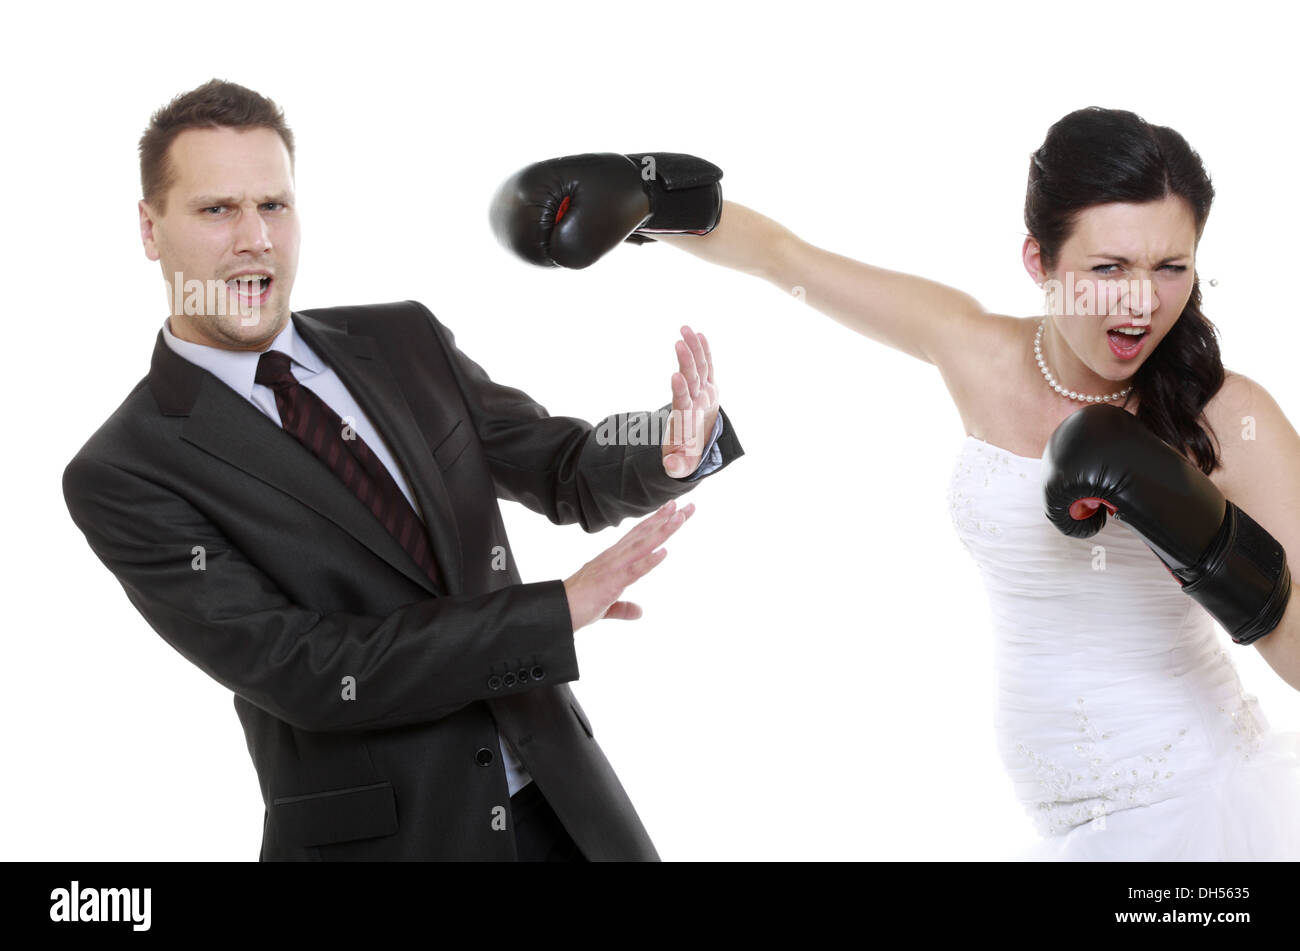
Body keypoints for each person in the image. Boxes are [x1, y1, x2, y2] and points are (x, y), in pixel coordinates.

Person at [492, 109, 1300, 860]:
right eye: (1108, 267)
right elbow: (786, 260)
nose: (1140, 302)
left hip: (1199, 812)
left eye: (1171, 267)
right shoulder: (974, 349)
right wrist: (644, 196)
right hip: (1065, 824)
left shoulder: (1226, 418)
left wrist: (1212, 547)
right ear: (1038, 262)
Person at [60, 79, 744, 862]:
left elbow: (560, 464)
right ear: (150, 229)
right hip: (396, 841)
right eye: (218, 210)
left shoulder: (401, 338)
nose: (255, 237)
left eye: (273, 205)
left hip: (571, 809)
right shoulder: (125, 469)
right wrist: (552, 612)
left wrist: (664, 443)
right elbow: (313, 671)